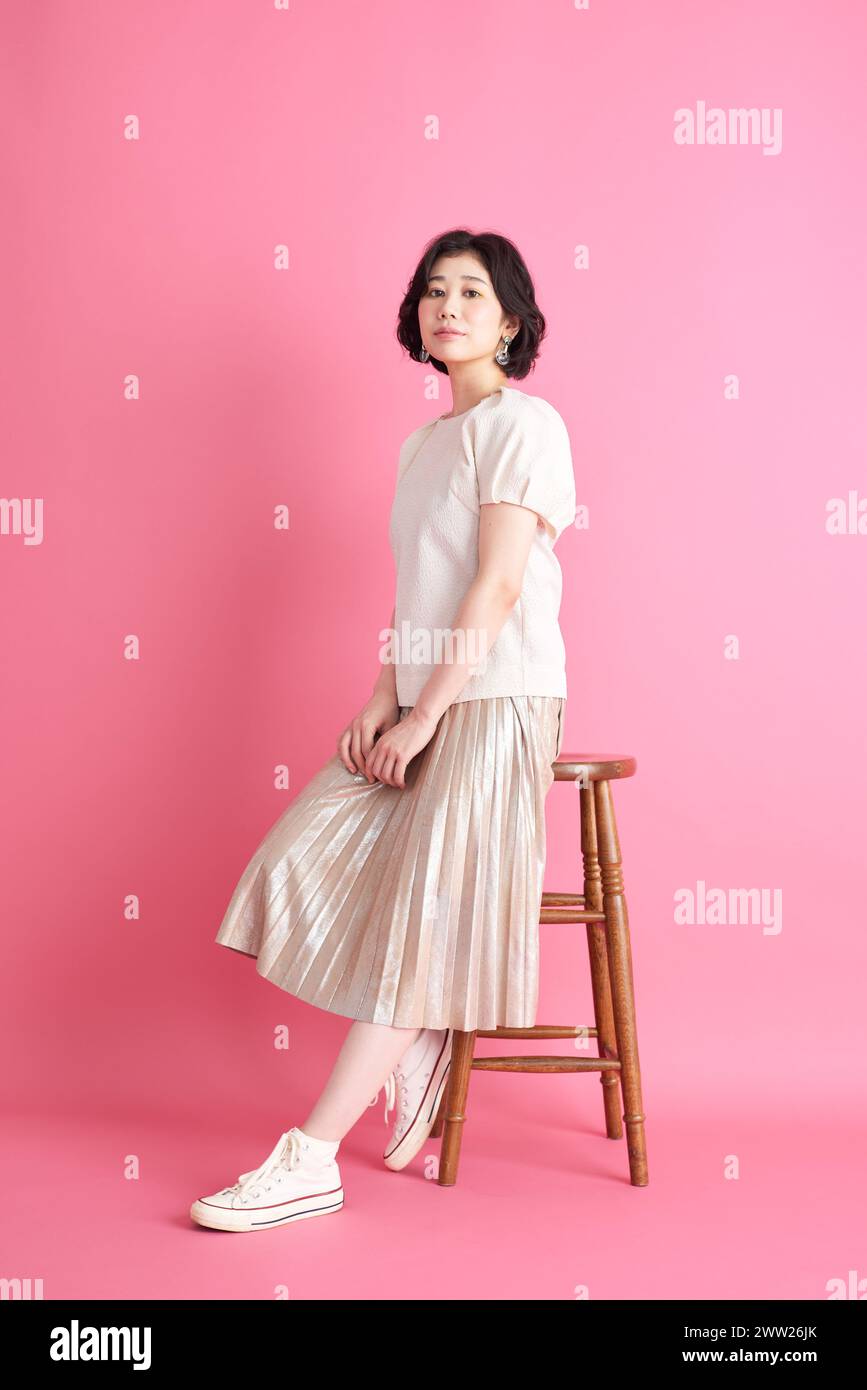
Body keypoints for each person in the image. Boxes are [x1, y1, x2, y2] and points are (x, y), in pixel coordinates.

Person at [190, 227, 576, 1232]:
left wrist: (428, 713)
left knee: (425, 923)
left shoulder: (523, 424)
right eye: (433, 292)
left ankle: (309, 1156)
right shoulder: (421, 444)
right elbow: (428, 587)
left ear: (513, 321)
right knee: (296, 858)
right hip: (427, 688)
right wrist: (382, 698)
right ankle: (423, 1028)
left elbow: (495, 587)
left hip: (495, 699)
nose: (448, 306)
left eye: (473, 294)